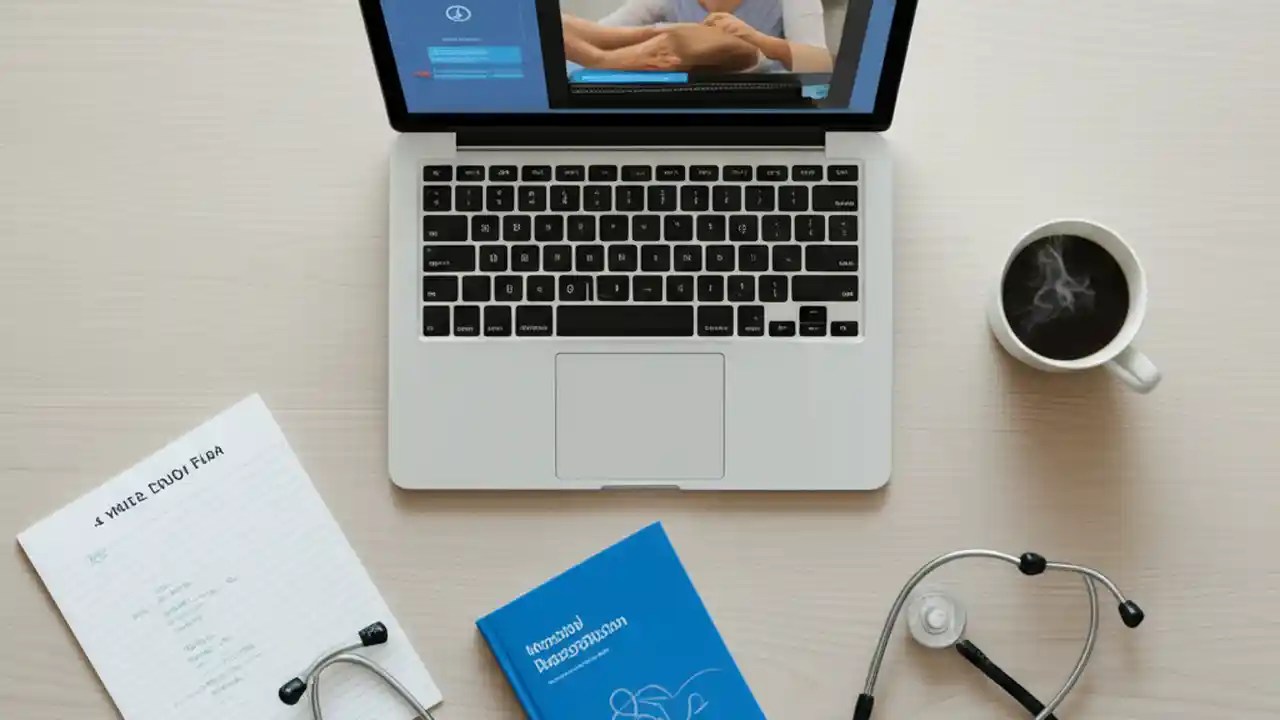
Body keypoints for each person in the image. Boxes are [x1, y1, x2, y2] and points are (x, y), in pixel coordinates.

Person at [596, 0, 833, 73]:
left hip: (764, 112)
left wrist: (760, 41)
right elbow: (598, 36)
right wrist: (660, 35)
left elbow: (823, 67)